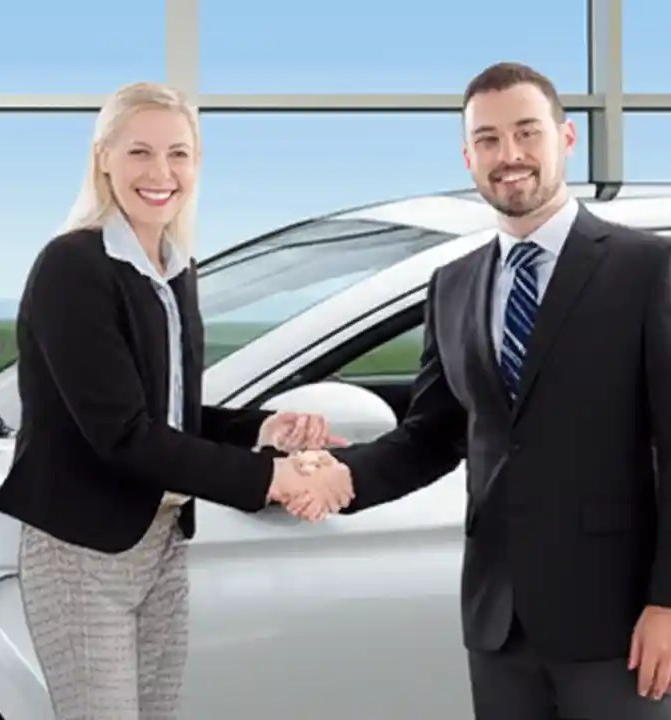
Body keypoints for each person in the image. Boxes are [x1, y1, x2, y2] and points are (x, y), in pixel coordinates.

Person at [278, 61, 671, 718]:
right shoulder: (453, 285)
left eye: (526, 132)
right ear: (469, 157)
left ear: (565, 139)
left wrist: (668, 603)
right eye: (488, 139)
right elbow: (432, 436)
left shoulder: (647, 269)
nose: (509, 154)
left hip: (620, 625)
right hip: (499, 624)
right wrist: (340, 477)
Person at [0, 80, 352, 719]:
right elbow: (122, 434)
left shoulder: (174, 267)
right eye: (139, 152)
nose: (161, 173)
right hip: (83, 550)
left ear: (197, 163)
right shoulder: (73, 267)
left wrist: (263, 429)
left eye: (178, 154)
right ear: (103, 157)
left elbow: (169, 414)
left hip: (159, 543)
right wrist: (272, 478)